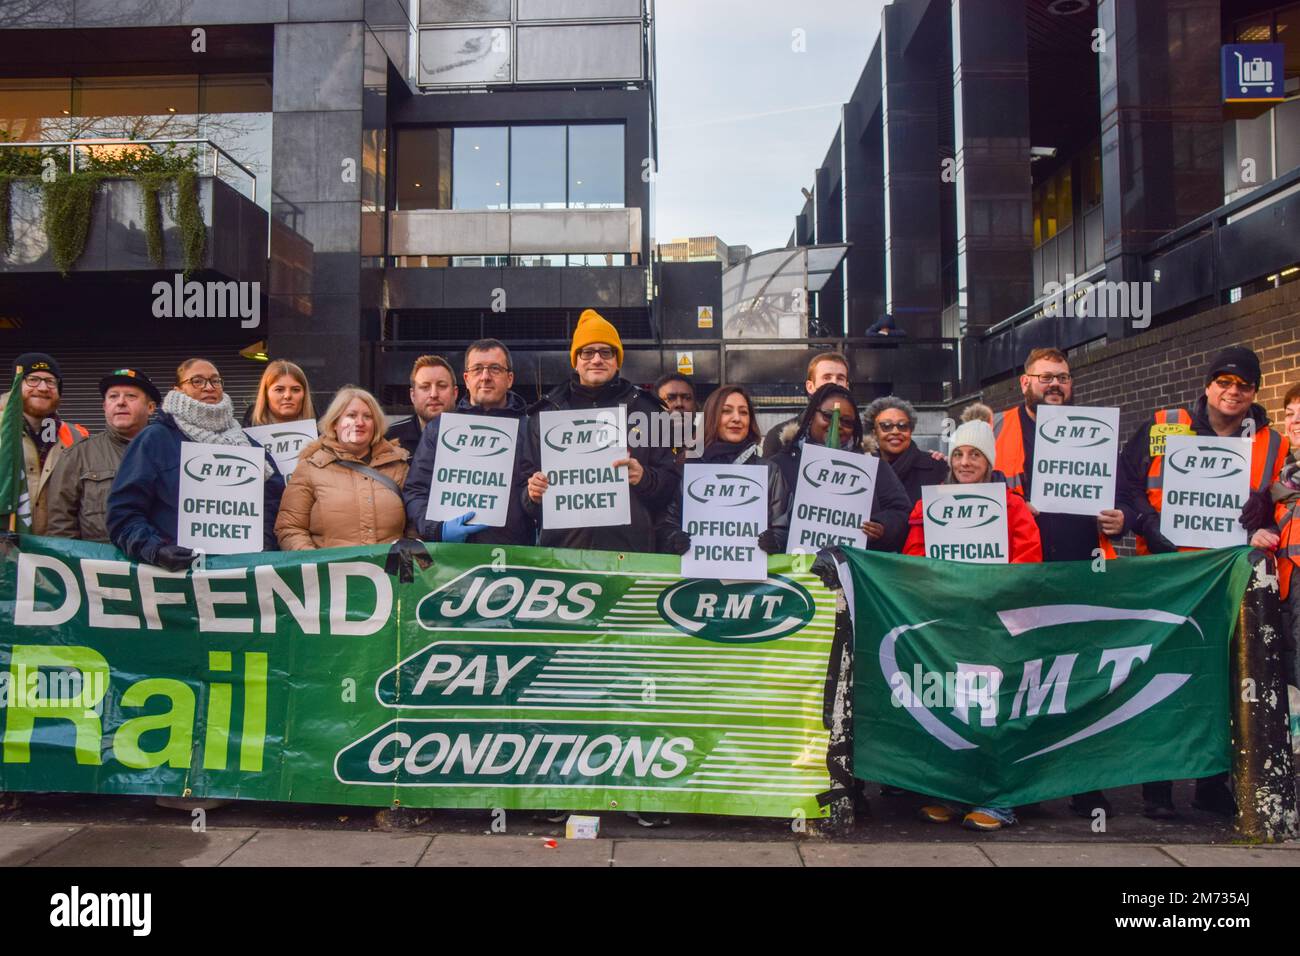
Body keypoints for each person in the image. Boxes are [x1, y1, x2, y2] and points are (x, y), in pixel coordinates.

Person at [1116, 345, 1285, 820]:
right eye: (1224, 383)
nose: (1232, 392)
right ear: (1208, 385)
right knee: (1163, 676)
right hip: (1167, 575)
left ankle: (1211, 785)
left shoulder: (1272, 442)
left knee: (1223, 681)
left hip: (1228, 575)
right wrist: (1147, 523)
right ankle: (1157, 788)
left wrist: (1266, 502)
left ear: (1253, 393)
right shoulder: (1165, 425)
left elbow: (1289, 491)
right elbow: (1125, 482)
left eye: (1243, 386)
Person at [903, 417, 1042, 832]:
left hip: (998, 625)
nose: (965, 462)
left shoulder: (1013, 504)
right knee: (952, 705)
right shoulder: (930, 504)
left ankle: (999, 799)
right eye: (959, 454)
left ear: (989, 461)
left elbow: (1029, 561)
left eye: (975, 455)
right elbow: (914, 557)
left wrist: (990, 593)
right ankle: (952, 791)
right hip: (948, 623)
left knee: (995, 710)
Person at [521, 308, 678, 553]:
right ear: (575, 360)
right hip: (563, 555)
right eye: (587, 352)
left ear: (617, 360)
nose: (597, 359)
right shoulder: (545, 415)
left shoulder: (648, 411)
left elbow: (670, 486)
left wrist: (644, 478)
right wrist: (532, 494)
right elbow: (523, 494)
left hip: (631, 555)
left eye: (606, 352)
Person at [107, 358, 285, 569]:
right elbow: (123, 514)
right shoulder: (155, 439)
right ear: (178, 389)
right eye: (197, 381)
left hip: (238, 574)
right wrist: (156, 550)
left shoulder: (248, 445)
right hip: (173, 578)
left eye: (215, 381)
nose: (208, 387)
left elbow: (274, 503)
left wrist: (261, 544)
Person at [992, 348, 1125, 561]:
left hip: (1084, 565)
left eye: (1063, 377)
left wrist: (1121, 520)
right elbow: (967, 482)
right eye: (1045, 377)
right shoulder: (994, 428)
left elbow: (1123, 494)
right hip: (1021, 568)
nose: (1055, 384)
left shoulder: (1097, 431)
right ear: (1025, 382)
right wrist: (1015, 508)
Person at [404, 338, 535, 546]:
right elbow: (416, 491)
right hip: (452, 560)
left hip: (513, 556)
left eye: (495, 369)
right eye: (477, 369)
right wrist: (437, 529)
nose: (485, 377)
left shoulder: (530, 430)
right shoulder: (438, 429)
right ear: (466, 378)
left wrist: (535, 496)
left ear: (509, 378)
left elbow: (538, 498)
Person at [770, 383, 911, 553]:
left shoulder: (873, 465)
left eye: (847, 421)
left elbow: (902, 512)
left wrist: (882, 526)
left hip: (856, 570)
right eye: (829, 416)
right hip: (795, 572)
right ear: (811, 415)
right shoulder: (780, 464)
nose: (837, 425)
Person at [656, 384, 789, 554]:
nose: (737, 418)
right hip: (696, 577)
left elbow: (784, 525)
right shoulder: (687, 467)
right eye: (727, 411)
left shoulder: (770, 471)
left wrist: (775, 542)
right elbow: (666, 523)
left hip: (754, 578)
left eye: (743, 412)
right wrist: (673, 539)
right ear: (712, 417)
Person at [275, 387, 411, 550]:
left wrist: (407, 564)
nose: (359, 423)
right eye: (351, 415)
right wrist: (317, 564)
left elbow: (414, 527)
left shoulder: (399, 467)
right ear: (334, 424)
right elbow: (290, 528)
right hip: (331, 574)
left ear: (376, 424)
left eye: (367, 416)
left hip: (389, 574)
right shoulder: (310, 468)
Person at [47, 368, 161, 543]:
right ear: (104, 406)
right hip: (99, 566)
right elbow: (60, 527)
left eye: (131, 396)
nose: (121, 402)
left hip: (160, 564)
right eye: (113, 396)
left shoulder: (171, 453)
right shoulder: (77, 455)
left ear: (151, 407)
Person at [0, 352, 89, 535]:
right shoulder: (4, 432)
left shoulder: (77, 437)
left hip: (53, 552)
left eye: (50, 381)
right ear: (16, 386)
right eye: (32, 379)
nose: (42, 388)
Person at [760, 351, 851, 457]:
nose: (834, 383)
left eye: (840, 378)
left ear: (847, 386)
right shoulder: (778, 437)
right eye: (826, 377)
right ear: (810, 387)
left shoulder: (858, 440)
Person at [864, 396, 947, 506]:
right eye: (886, 426)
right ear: (874, 433)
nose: (895, 431)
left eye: (902, 426)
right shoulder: (864, 469)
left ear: (910, 431)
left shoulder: (936, 466)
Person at [386, 355, 458, 453]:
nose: (434, 394)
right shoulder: (389, 438)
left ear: (455, 393)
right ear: (413, 395)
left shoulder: (475, 436)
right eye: (425, 387)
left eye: (442, 386)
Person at [244, 359, 315, 427]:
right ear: (265, 393)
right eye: (279, 390)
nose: (287, 396)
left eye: (295, 390)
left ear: (305, 394)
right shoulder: (244, 435)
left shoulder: (320, 429)